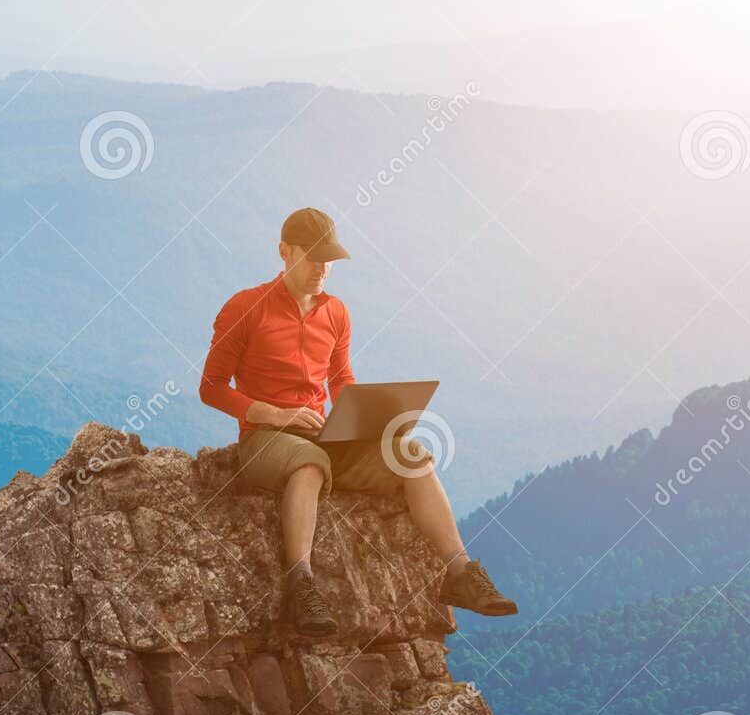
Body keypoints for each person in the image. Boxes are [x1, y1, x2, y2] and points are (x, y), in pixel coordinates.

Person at [199, 207, 518, 635]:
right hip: (265, 439)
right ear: (283, 251)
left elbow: (340, 379)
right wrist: (274, 413)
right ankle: (301, 585)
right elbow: (212, 387)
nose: (322, 268)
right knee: (308, 464)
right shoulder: (244, 308)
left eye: (328, 258)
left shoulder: (336, 313)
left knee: (411, 453)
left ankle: (460, 572)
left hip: (324, 436)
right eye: (312, 256)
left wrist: (372, 420)